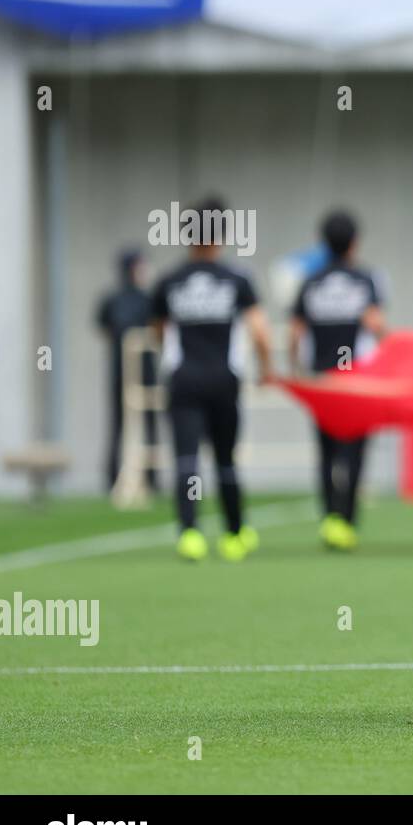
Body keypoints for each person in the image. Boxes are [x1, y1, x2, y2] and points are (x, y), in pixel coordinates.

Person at [151, 197, 275, 562]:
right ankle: (234, 534)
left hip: (184, 380)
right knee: (226, 459)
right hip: (224, 380)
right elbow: (260, 331)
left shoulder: (169, 281)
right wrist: (266, 369)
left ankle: (190, 533)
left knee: (187, 460)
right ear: (221, 236)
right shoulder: (237, 279)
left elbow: (158, 332)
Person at [290, 210, 385, 551]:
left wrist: (297, 372)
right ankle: (347, 520)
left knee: (326, 452)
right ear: (354, 243)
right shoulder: (364, 280)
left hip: (323, 381)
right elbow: (376, 325)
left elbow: (296, 332)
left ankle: (329, 518)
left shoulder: (311, 282)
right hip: (356, 381)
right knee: (355, 451)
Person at [97, 247, 158, 492]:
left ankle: (152, 478)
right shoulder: (112, 299)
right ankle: (114, 478)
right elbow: (104, 327)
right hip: (120, 369)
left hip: (146, 368)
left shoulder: (148, 299)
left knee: (150, 421)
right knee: (118, 423)